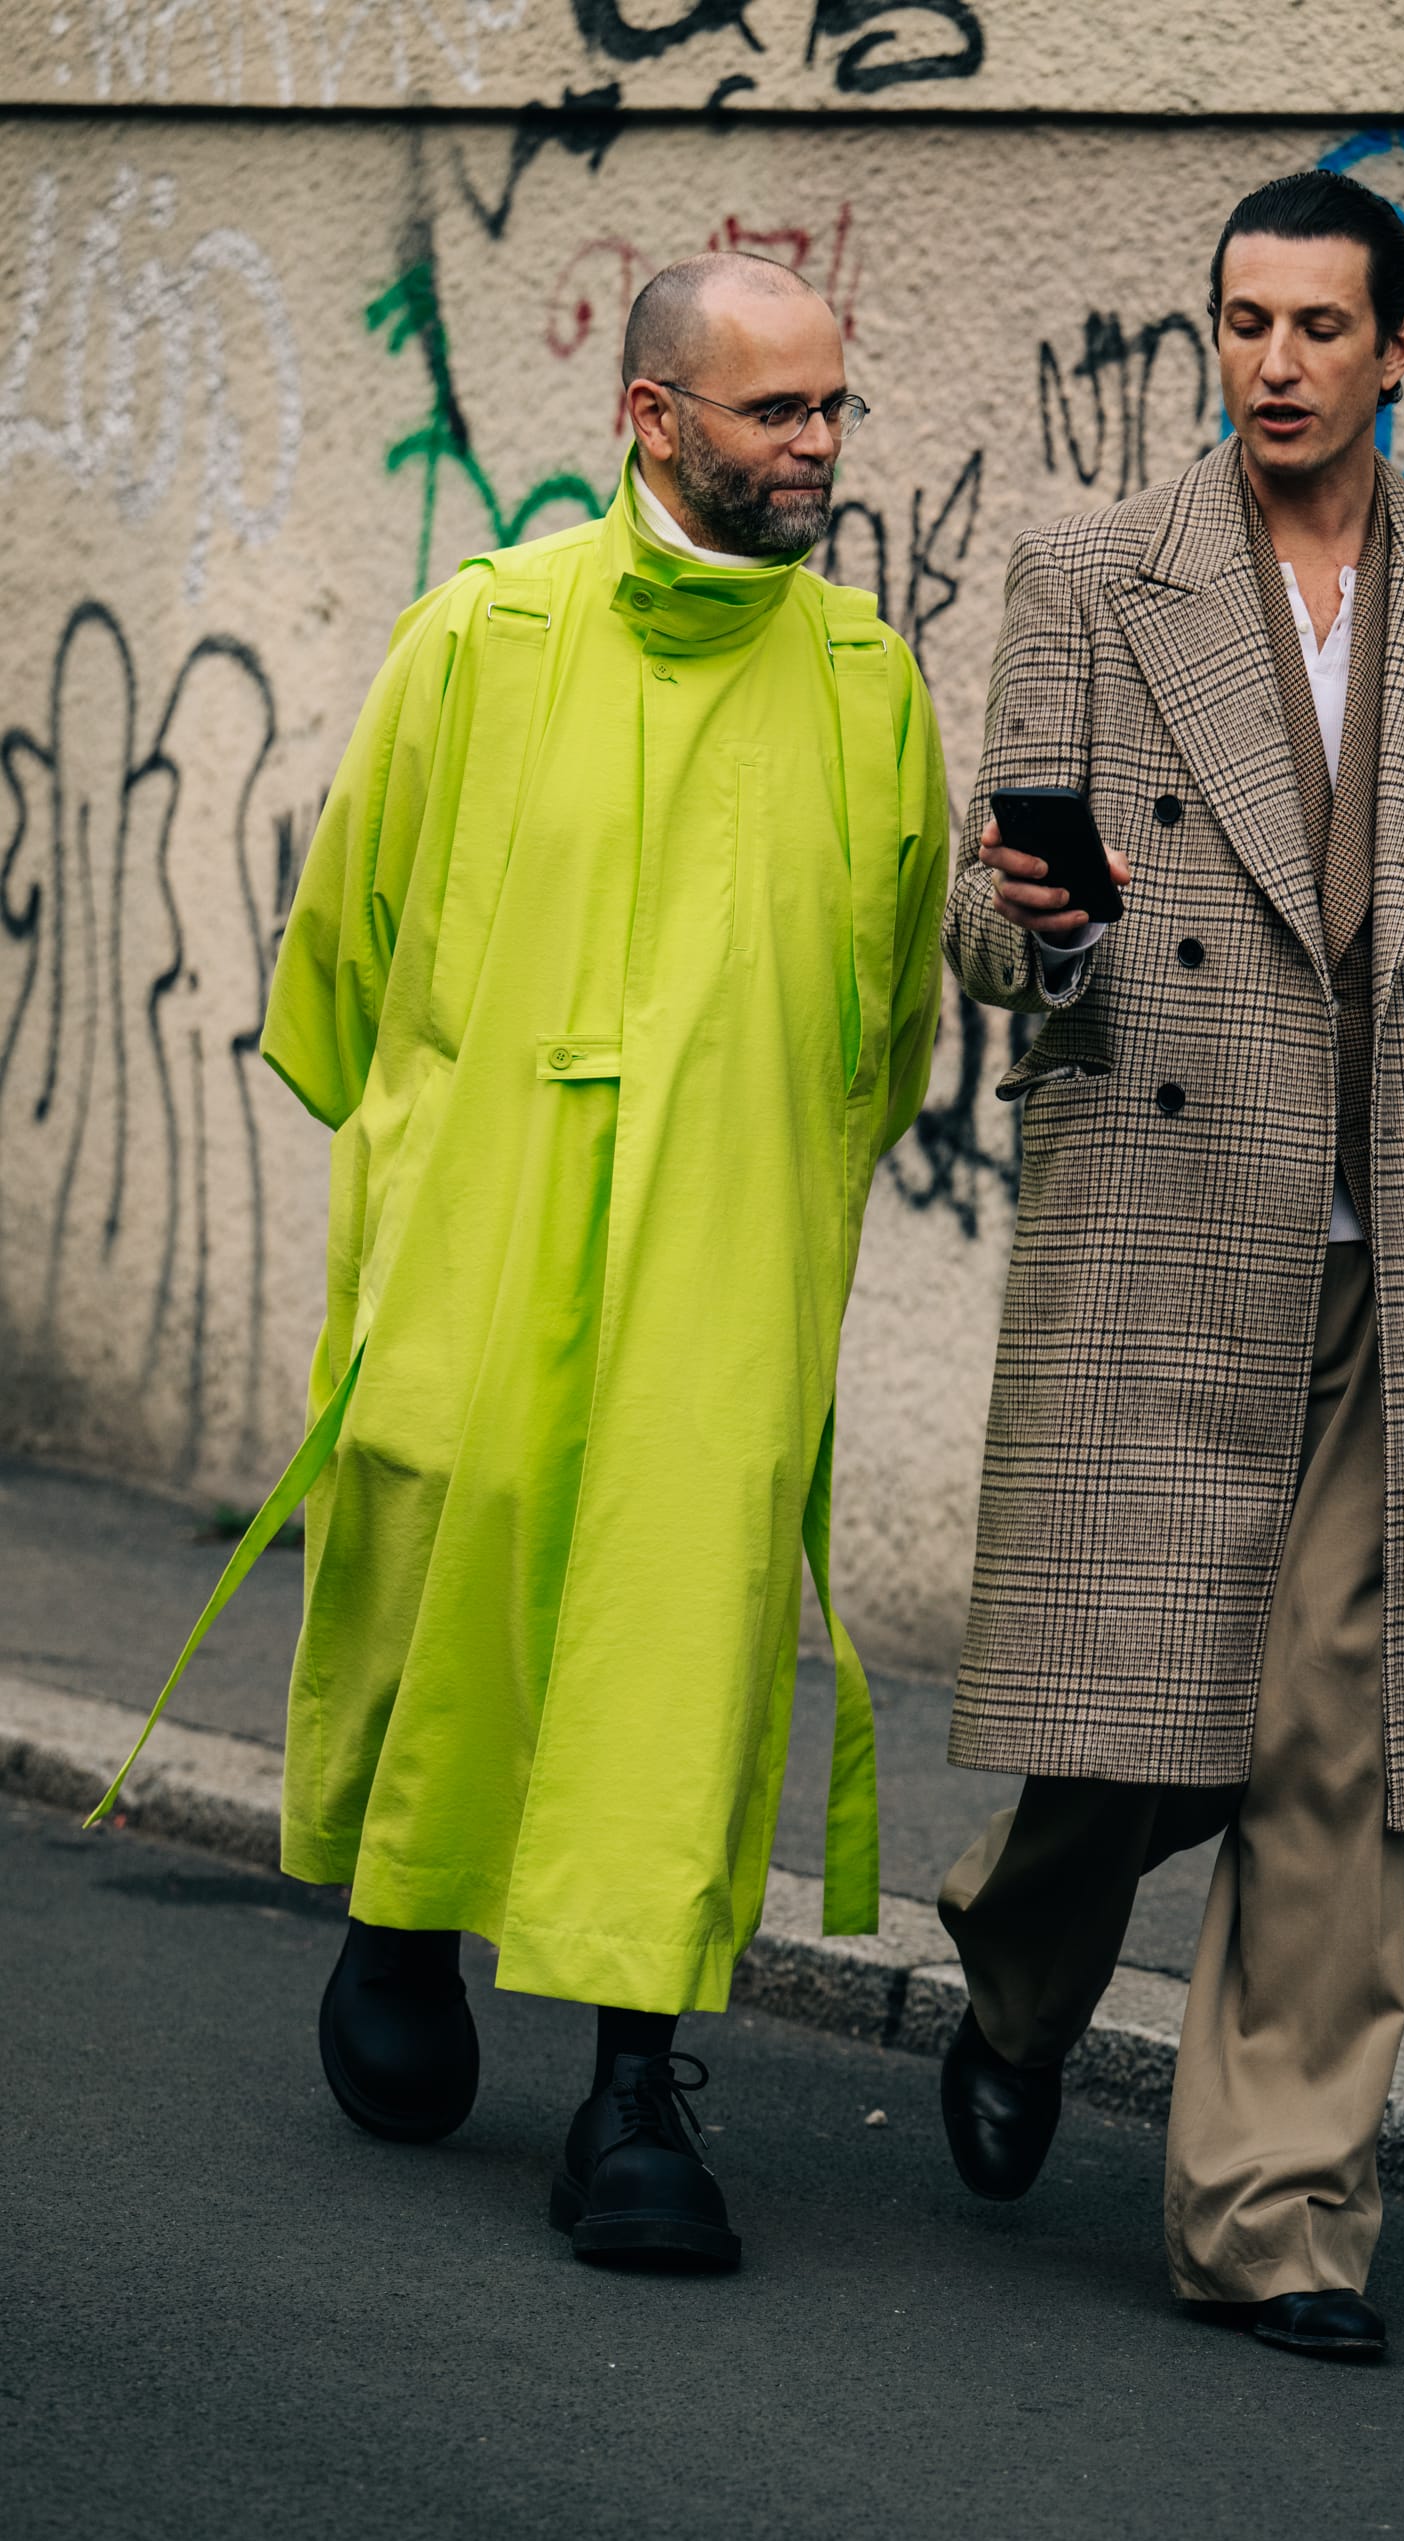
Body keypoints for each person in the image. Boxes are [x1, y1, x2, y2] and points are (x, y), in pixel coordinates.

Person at [933, 169, 1404, 2359]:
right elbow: (985, 928)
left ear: (1402, 348)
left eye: (1320, 327)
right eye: (1244, 322)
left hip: (1403, 1263)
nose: (1274, 363)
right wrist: (1033, 924)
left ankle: (1276, 2218)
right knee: (1139, 1732)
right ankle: (1021, 1972)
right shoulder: (1093, 578)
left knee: (1342, 1744)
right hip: (1164, 1240)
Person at [251, 254, 946, 2268]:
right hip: (481, 1230)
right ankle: (404, 1912)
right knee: (450, 1567)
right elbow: (345, 951)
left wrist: (752, 1166)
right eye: (775, 410)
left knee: (682, 1632)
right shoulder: (477, 640)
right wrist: (445, 1156)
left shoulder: (866, 686)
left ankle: (634, 2086)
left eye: (835, 407)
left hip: (726, 1259)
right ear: (653, 416)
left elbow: (889, 1017)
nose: (819, 444)